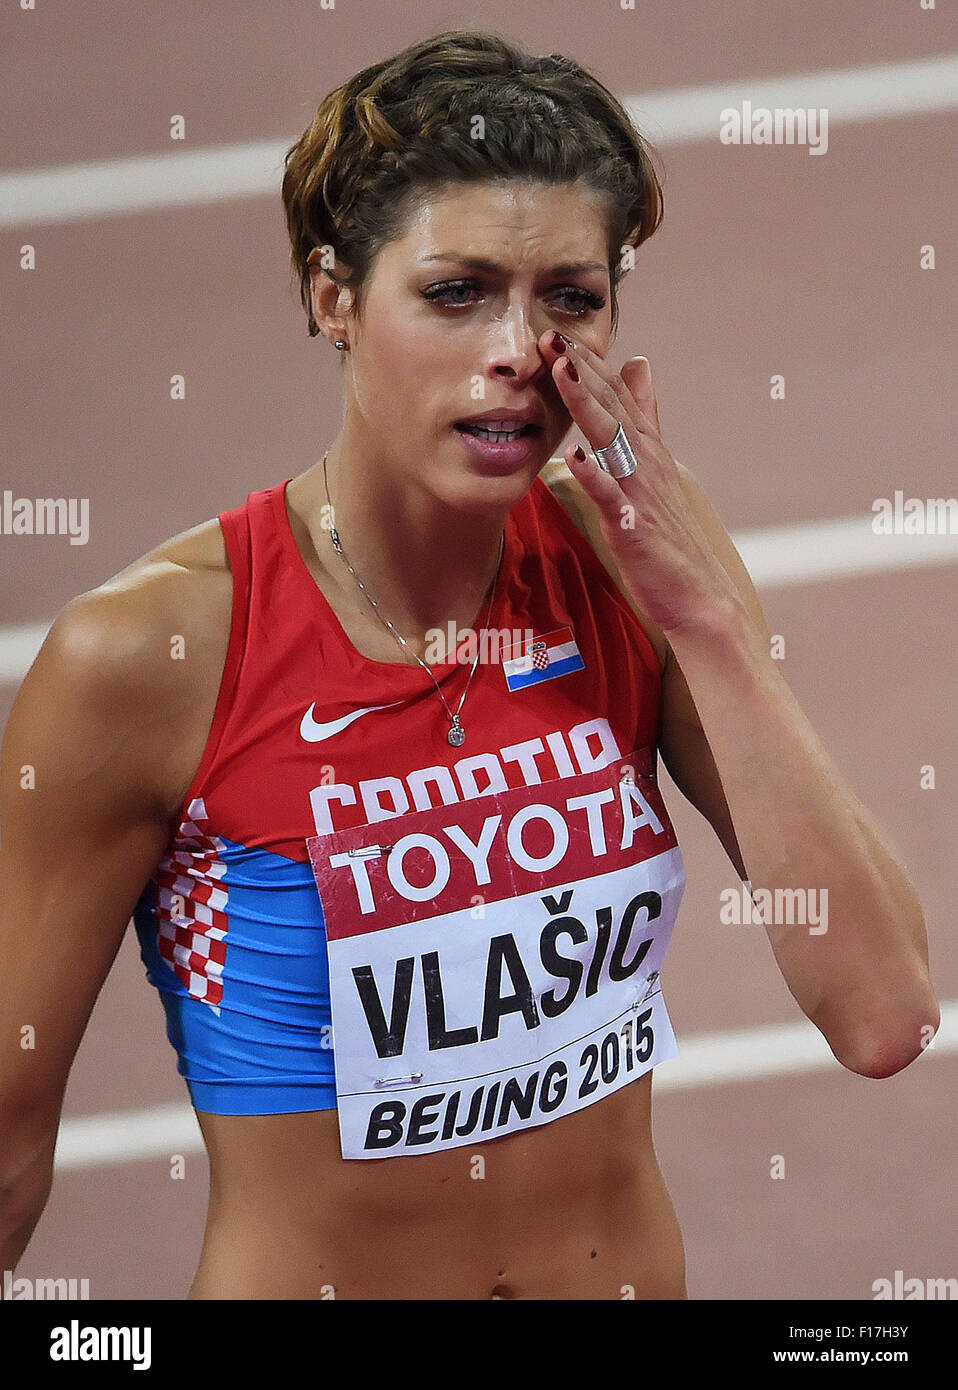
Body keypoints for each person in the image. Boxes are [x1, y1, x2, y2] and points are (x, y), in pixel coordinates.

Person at [0, 30, 937, 1301]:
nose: (516, 347)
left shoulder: (636, 561)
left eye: (570, 296)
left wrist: (711, 626)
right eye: (457, 292)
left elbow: (882, 1015)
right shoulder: (150, 656)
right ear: (331, 297)